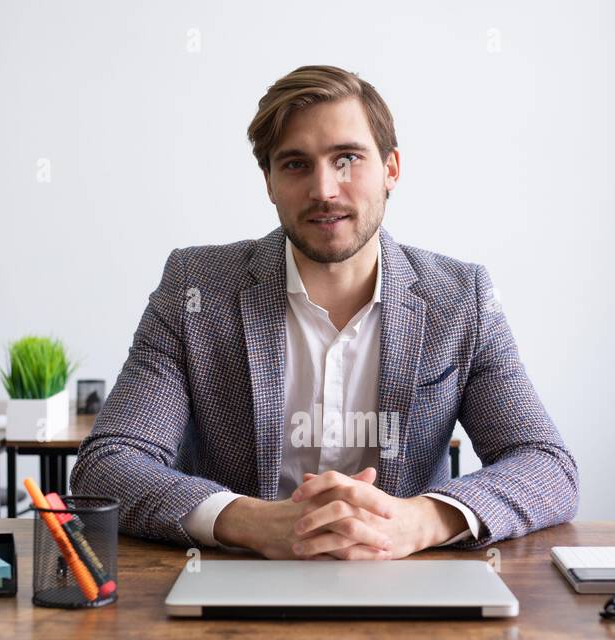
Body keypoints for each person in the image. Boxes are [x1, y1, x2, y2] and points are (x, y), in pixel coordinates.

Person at [71, 65, 578, 560]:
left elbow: (546, 465)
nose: (323, 190)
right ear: (268, 181)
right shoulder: (195, 287)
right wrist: (247, 521)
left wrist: (419, 522)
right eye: (295, 164)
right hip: (241, 578)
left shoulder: (460, 297)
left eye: (347, 159)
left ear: (391, 170)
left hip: (404, 577)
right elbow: (110, 462)